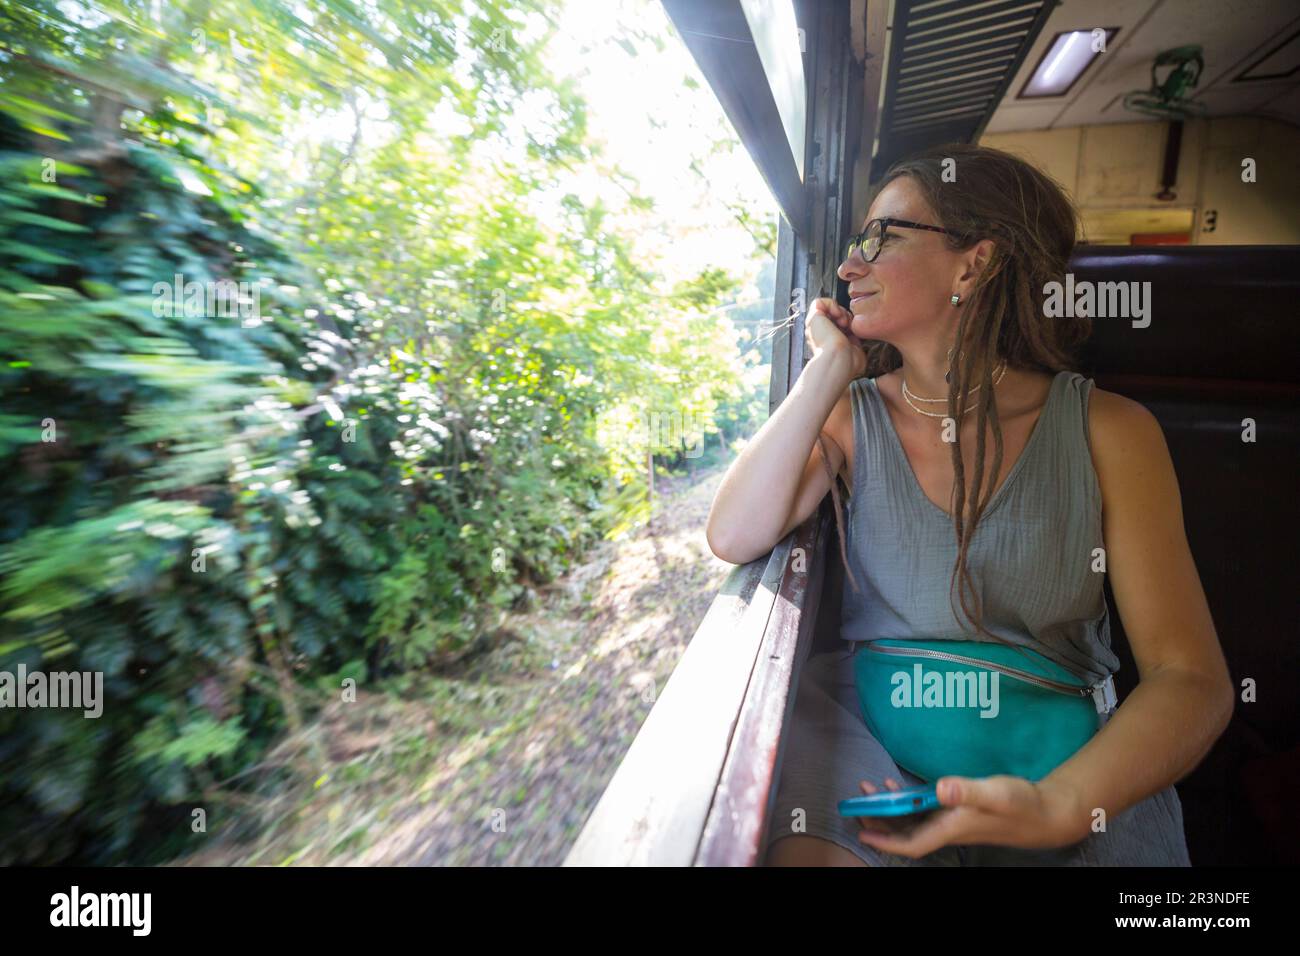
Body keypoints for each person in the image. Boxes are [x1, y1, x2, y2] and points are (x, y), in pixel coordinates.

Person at [704, 143, 1233, 866]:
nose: (850, 266)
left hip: (1067, 761)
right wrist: (827, 369)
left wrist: (1063, 803)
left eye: (883, 237)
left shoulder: (1111, 432)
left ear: (974, 263)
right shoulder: (849, 419)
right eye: (855, 243)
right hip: (875, 744)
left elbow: (1191, 679)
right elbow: (734, 534)